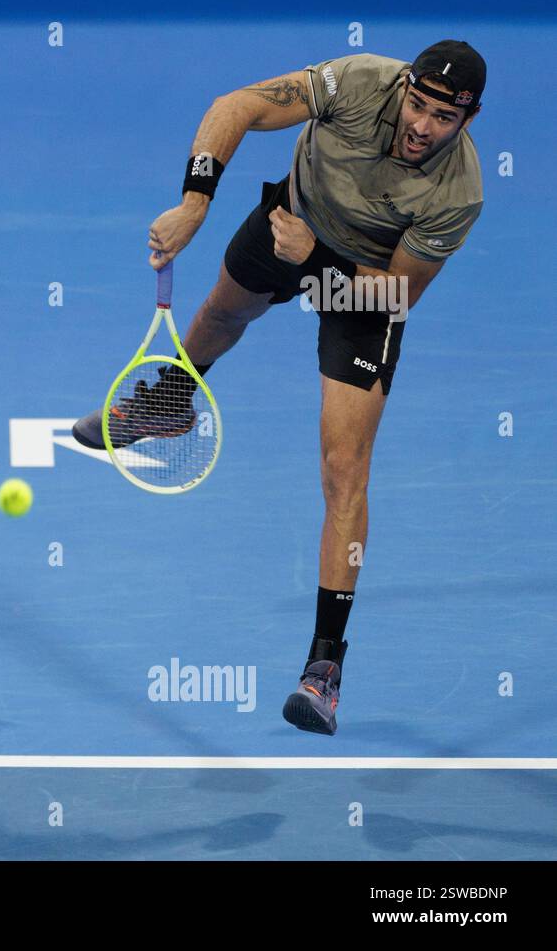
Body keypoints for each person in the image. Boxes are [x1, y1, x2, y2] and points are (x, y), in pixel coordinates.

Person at [73, 42, 486, 735]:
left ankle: (324, 668)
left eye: (443, 117)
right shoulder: (356, 84)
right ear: (404, 88)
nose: (422, 125)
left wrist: (315, 259)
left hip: (362, 284)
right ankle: (172, 404)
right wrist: (195, 205)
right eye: (418, 103)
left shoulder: (459, 191)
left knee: (343, 470)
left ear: (468, 118)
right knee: (221, 312)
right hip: (294, 215)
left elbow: (398, 295)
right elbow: (235, 106)